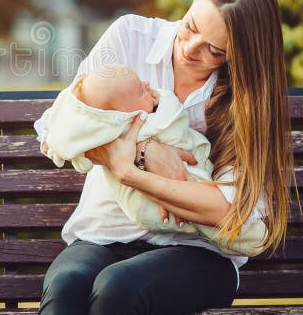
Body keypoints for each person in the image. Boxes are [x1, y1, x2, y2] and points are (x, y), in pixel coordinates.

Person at [35, 0, 293, 315]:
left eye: (214, 51)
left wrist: (133, 175)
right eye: (190, 27)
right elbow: (59, 128)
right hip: (105, 233)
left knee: (117, 289)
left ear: (239, 56)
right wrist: (145, 152)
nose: (189, 49)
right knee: (67, 285)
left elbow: (237, 211)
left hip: (199, 252)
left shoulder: (247, 97)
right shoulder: (131, 37)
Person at [44, 63, 267, 256]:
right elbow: (176, 127)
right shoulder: (146, 120)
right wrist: (163, 103)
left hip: (146, 212)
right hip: (144, 206)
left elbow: (69, 140)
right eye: (142, 90)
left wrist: (140, 152)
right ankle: (242, 238)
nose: (149, 86)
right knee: (196, 215)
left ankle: (227, 233)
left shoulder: (103, 131)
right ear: (124, 113)